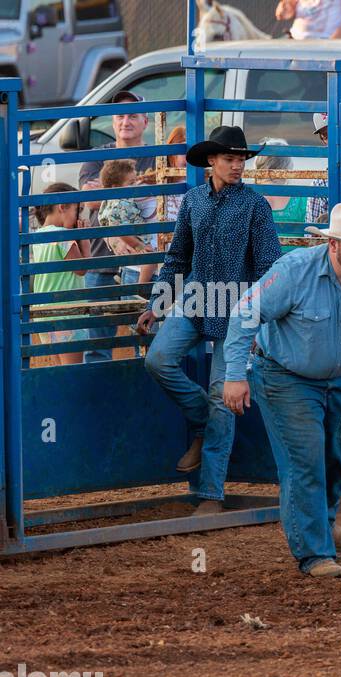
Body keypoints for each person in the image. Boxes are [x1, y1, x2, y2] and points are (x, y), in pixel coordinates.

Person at [222, 202, 341, 578]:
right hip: (283, 377)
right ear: (334, 245)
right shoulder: (295, 270)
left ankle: (322, 521)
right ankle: (314, 553)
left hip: (339, 379)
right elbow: (246, 313)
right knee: (304, 459)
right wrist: (234, 373)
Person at [134, 125, 282, 511]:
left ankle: (211, 493)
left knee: (223, 395)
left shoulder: (256, 206)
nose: (237, 166)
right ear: (211, 162)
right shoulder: (193, 201)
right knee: (158, 360)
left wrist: (258, 320)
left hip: (238, 309)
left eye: (241, 160)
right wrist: (157, 303)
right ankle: (201, 422)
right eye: (230, 159)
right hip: (196, 299)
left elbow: (269, 267)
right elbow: (178, 257)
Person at [78, 90, 156, 362]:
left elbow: (161, 198)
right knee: (98, 346)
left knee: (145, 342)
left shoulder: (157, 156)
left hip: (142, 265)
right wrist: (136, 192)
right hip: (101, 261)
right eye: (120, 116)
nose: (126, 121)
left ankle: (144, 400)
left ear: (145, 121)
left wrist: (109, 192)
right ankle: (98, 402)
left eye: (133, 115)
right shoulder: (96, 156)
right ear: (112, 122)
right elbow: (90, 199)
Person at [30, 183, 91, 366]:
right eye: (76, 210)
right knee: (73, 372)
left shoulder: (38, 234)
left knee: (60, 370)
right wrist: (86, 242)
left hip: (45, 313)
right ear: (62, 207)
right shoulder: (63, 236)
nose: (77, 217)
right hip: (68, 314)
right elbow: (81, 269)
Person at [96, 160, 159, 293]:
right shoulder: (121, 204)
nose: (136, 185)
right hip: (135, 236)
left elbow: (104, 222)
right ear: (115, 187)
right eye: (131, 183)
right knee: (152, 257)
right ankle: (140, 288)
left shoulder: (109, 201)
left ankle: (127, 280)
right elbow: (119, 230)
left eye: (135, 180)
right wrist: (138, 246)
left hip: (132, 233)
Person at [252, 138, 308, 254]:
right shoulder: (302, 199)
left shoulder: (250, 198)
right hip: (296, 266)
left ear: (258, 165)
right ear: (287, 167)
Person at [276, 0, 341, 40]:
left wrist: (332, 42)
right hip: (295, 41)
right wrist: (285, 8)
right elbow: (285, 10)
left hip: (326, 47)